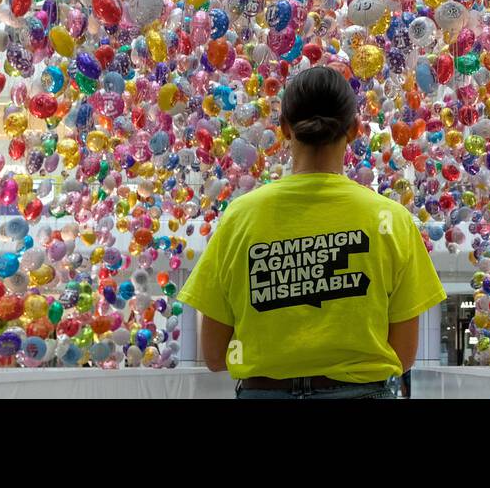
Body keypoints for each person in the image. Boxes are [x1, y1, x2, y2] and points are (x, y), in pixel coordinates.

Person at [179, 65, 446, 399]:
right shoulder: (391, 220)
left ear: (285, 128)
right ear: (353, 129)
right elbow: (403, 355)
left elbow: (215, 355)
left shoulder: (240, 217)